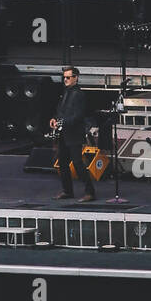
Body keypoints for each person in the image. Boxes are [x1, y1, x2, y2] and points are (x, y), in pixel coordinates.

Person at [50, 65, 96, 203]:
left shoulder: (79, 94)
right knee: (63, 163)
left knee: (77, 163)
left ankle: (90, 192)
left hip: (74, 133)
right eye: (64, 77)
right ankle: (67, 191)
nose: (66, 80)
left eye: (68, 77)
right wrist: (54, 119)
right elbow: (61, 110)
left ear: (76, 78)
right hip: (64, 132)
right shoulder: (66, 92)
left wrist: (62, 122)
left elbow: (78, 115)